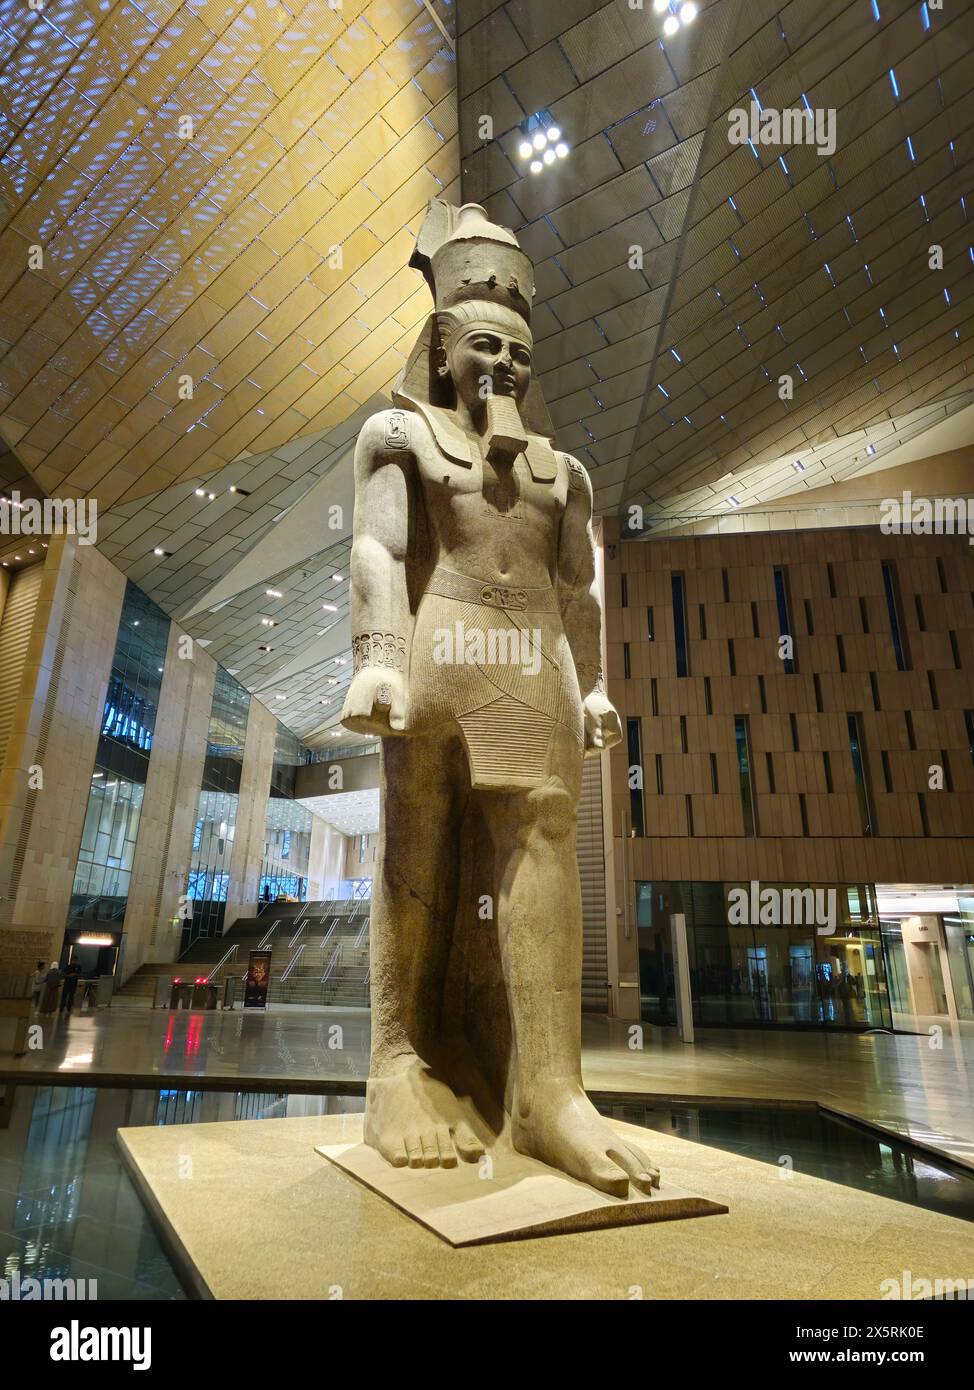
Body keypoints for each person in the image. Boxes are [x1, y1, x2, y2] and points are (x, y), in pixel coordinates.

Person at [341, 201, 658, 1197]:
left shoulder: (565, 472)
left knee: (543, 844)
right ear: (441, 349)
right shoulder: (398, 434)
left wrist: (599, 686)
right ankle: (396, 1061)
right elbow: (379, 547)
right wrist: (379, 656)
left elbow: (580, 588)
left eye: (518, 353)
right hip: (438, 654)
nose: (504, 369)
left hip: (535, 667)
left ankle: (548, 1092)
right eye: (483, 346)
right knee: (416, 850)